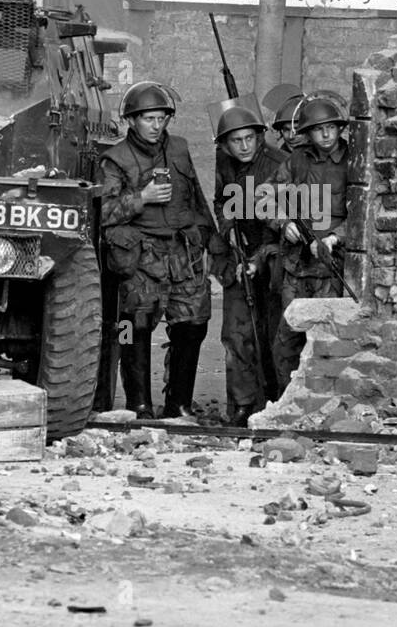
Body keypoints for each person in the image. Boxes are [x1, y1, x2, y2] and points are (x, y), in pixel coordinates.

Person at [98, 81, 215, 419]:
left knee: (192, 325)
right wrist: (142, 198)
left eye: (161, 118)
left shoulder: (178, 149)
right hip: (140, 259)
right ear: (132, 120)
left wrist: (210, 239)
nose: (155, 125)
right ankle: (139, 404)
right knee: (130, 329)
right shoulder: (115, 159)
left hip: (182, 254)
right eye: (148, 118)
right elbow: (101, 212)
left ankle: (178, 404)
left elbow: (196, 198)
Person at [269, 96, 351, 394]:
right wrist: (284, 222)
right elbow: (266, 196)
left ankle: (323, 405)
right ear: (308, 133)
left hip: (334, 267)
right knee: (287, 342)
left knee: (329, 342)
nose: (327, 135)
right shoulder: (297, 160)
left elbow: (363, 212)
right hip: (297, 265)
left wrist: (335, 237)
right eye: (319, 129)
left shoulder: (354, 161)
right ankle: (286, 405)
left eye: (331, 127)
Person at [211, 104, 287, 423]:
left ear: (259, 138)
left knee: (275, 336)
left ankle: (277, 402)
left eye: (249, 139)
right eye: (235, 141)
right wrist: (228, 230)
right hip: (238, 258)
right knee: (236, 335)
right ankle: (242, 405)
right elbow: (222, 202)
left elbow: (295, 219)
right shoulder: (226, 163)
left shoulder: (280, 164)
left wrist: (258, 258)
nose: (243, 146)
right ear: (224, 145)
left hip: (274, 260)